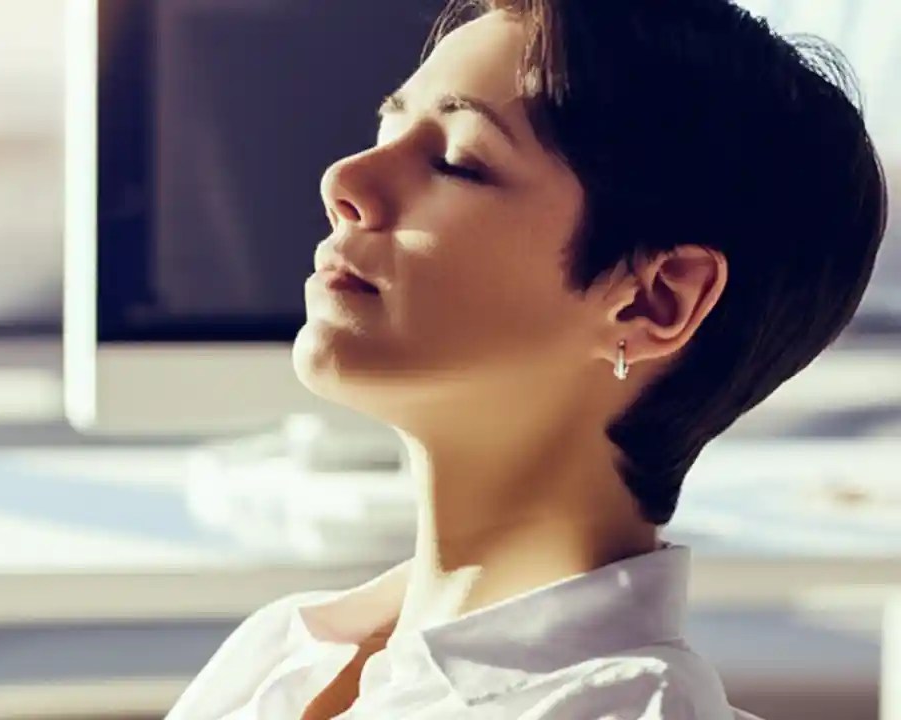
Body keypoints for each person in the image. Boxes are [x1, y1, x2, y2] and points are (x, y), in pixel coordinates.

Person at [167, 0, 889, 717]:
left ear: (654, 302)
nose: (344, 182)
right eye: (384, 131)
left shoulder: (623, 710)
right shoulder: (289, 646)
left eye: (456, 161)